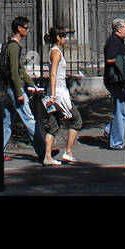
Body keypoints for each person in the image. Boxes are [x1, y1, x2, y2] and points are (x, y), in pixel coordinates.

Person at [2, 16, 45, 160]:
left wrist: (32, 84)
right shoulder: (14, 47)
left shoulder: (14, 46)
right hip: (15, 89)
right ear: (19, 29)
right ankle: (45, 151)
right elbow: (15, 72)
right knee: (29, 120)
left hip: (10, 88)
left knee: (7, 121)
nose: (28, 30)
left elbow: (20, 70)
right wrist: (19, 92)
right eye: (26, 28)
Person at [42, 26, 82, 165]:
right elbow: (53, 73)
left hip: (54, 92)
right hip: (59, 93)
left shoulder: (53, 51)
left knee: (54, 124)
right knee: (76, 120)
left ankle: (47, 156)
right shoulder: (56, 52)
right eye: (63, 36)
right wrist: (53, 94)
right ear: (58, 38)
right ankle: (68, 151)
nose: (65, 39)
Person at [103, 17, 125, 149]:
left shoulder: (118, 40)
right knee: (120, 110)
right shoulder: (114, 41)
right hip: (115, 81)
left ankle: (110, 130)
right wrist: (123, 60)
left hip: (119, 81)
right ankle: (116, 142)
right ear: (119, 29)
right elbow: (109, 59)